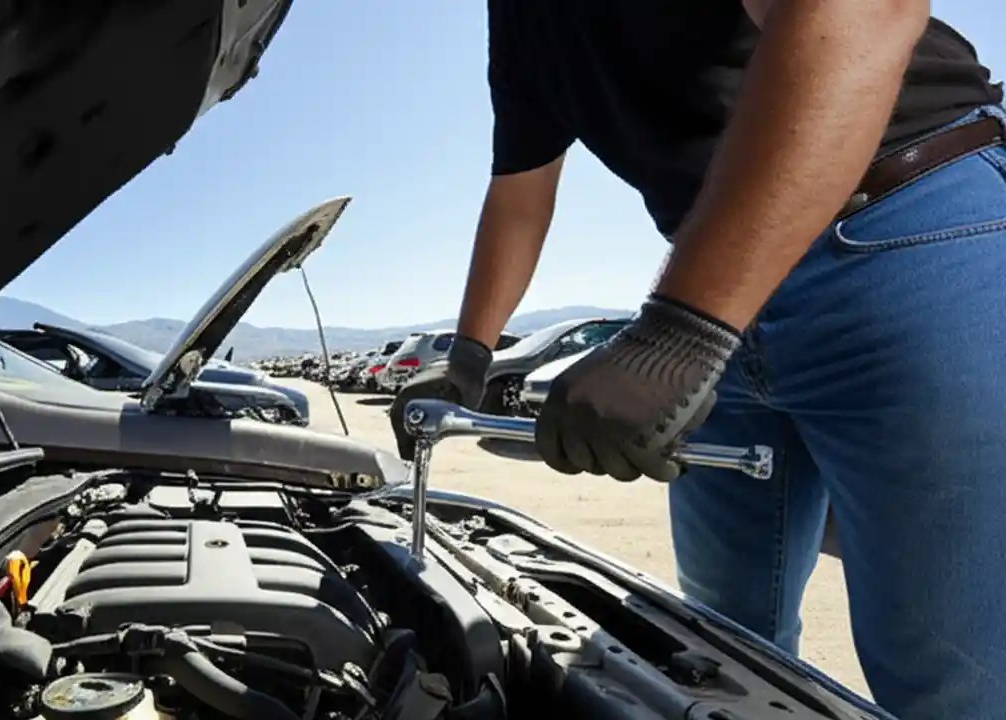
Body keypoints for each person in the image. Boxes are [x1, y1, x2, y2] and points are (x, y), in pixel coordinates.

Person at [388, 1, 1005, 717]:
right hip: (715, 277)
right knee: (720, 650)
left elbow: (864, 13)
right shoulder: (522, 17)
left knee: (953, 679)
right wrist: (469, 355)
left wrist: (681, 330)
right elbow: (521, 190)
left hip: (908, 222)